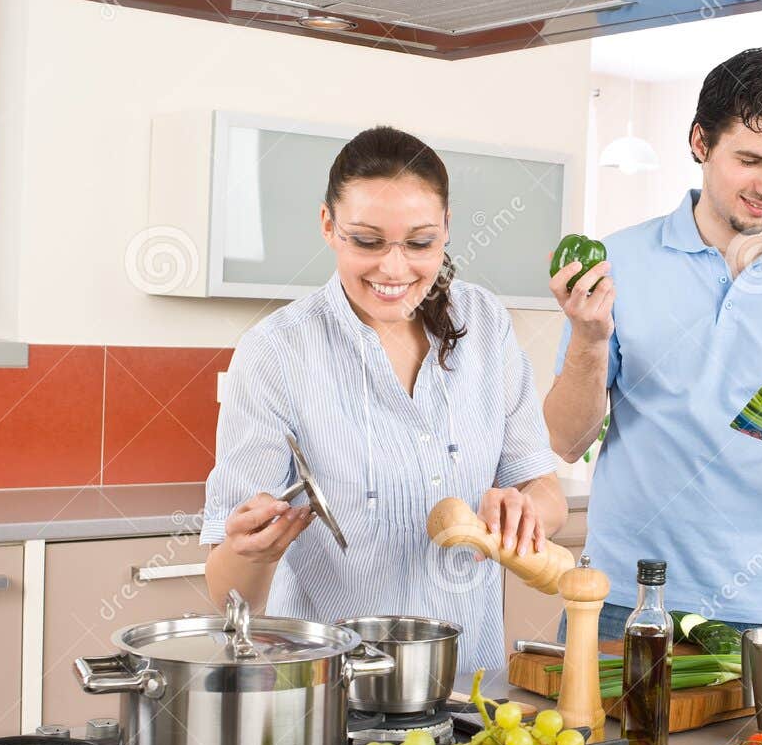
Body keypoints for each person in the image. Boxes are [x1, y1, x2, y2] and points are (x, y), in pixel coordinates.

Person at [544, 49, 762, 638]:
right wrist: (589, 337)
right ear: (699, 143)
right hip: (617, 601)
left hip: (759, 614)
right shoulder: (617, 263)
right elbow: (564, 439)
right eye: (750, 159)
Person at [202, 126, 566, 674]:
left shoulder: (486, 324)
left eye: (420, 243)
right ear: (328, 225)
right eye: (367, 241)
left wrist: (525, 512)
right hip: (328, 691)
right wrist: (251, 553)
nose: (394, 269)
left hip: (469, 687)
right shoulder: (277, 352)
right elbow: (230, 595)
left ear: (447, 228)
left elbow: (545, 492)